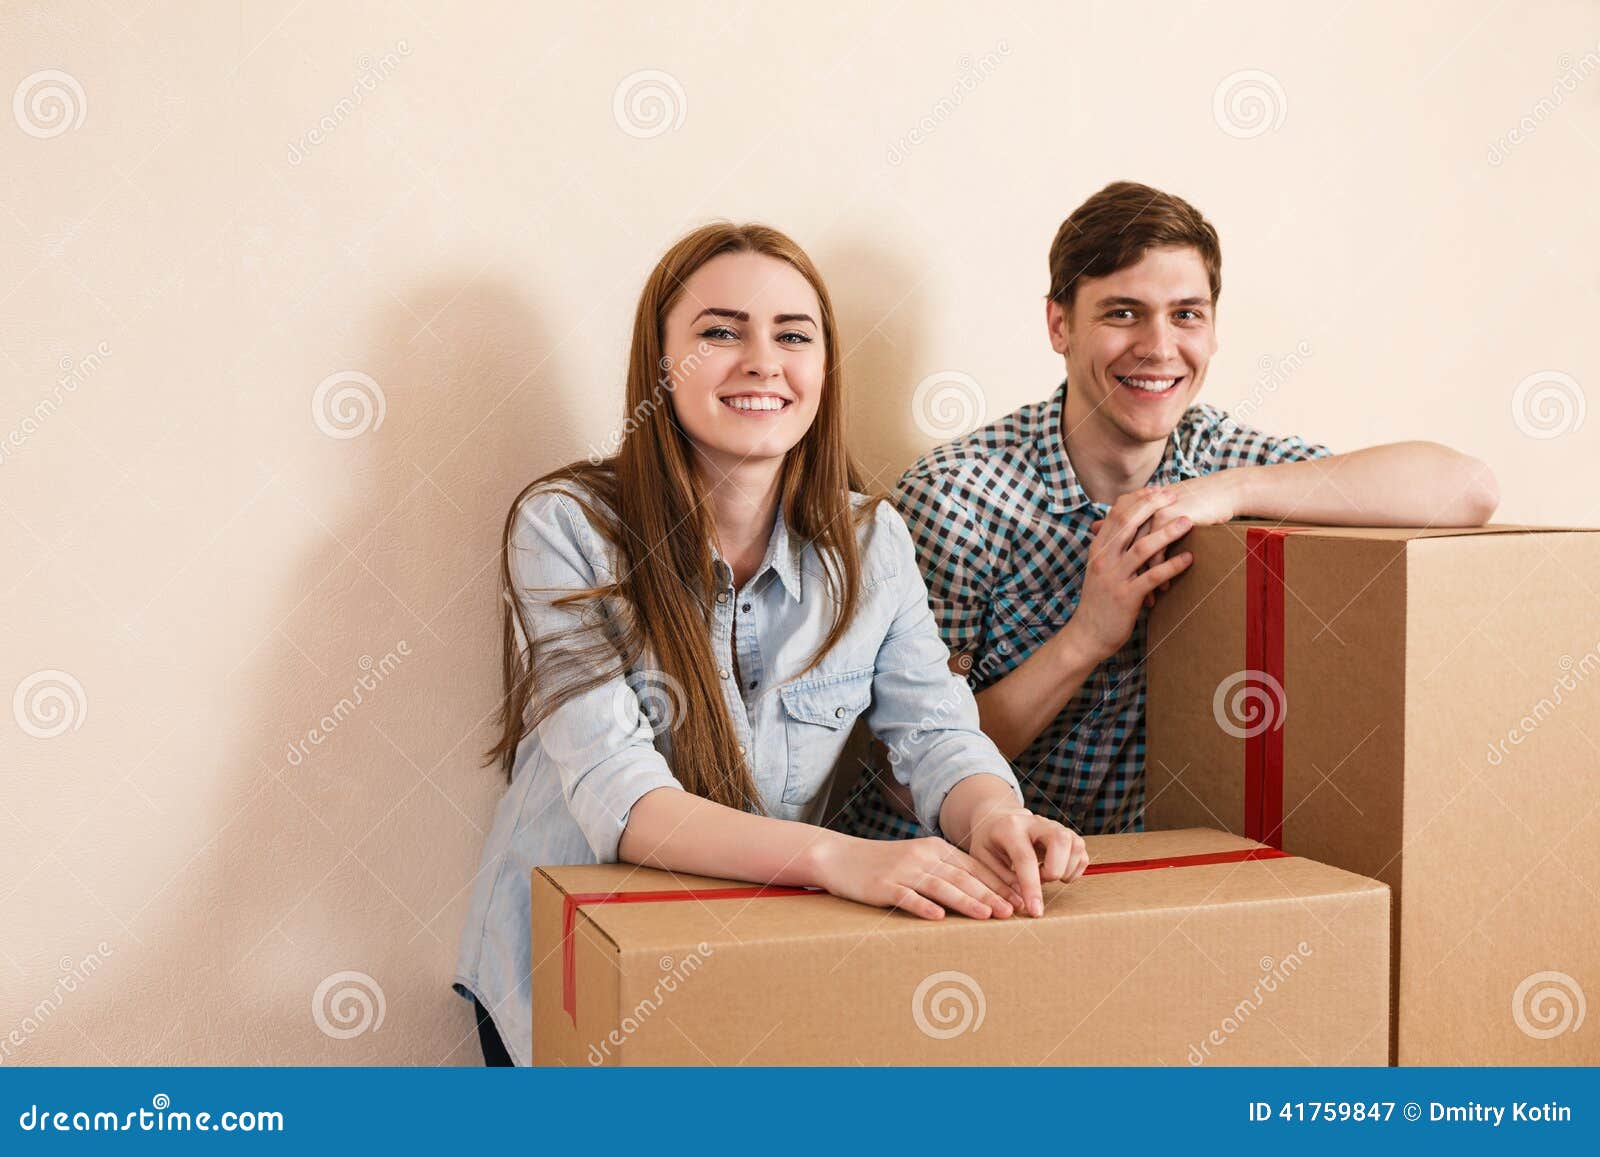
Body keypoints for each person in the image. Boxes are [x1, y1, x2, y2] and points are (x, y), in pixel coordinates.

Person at [453, 222, 1088, 1066]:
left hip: (744, 952)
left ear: (823, 367)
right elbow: (624, 799)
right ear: (659, 363)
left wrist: (996, 816)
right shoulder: (567, 527)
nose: (763, 361)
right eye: (721, 332)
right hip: (562, 972)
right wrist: (842, 859)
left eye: (793, 336)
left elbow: (936, 733)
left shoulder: (874, 542)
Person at [833, 180, 1499, 842]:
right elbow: (900, 776)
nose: (1159, 347)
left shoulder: (1220, 459)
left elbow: (1468, 490)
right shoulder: (957, 498)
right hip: (955, 869)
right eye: (1123, 313)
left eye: (1186, 315)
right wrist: (1087, 636)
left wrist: (1229, 492)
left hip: (1141, 874)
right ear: (1060, 325)